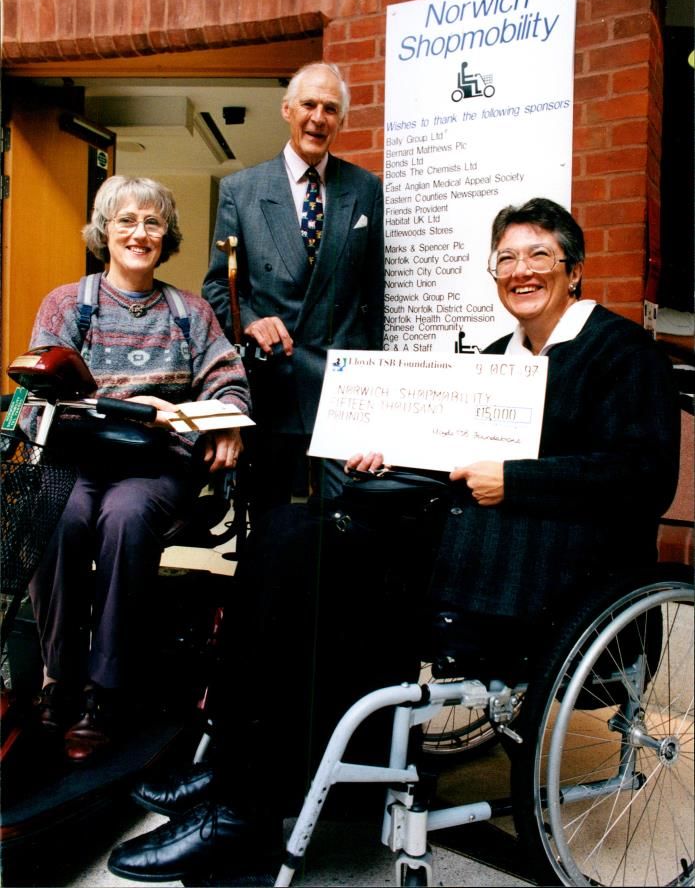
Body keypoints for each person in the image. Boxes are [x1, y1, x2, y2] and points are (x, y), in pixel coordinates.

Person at [107, 197, 680, 884]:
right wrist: (389, 454)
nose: (519, 270)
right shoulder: (499, 358)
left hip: (553, 573)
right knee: (286, 536)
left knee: (327, 578)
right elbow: (454, 461)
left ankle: (243, 806)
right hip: (471, 544)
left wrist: (518, 481)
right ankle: (233, 769)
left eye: (537, 256)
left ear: (574, 271)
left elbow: (643, 476)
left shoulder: (621, 354)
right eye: (505, 258)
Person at [26, 175, 250, 764]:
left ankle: (104, 691)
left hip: (155, 464)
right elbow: (37, 391)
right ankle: (59, 678)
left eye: (152, 222)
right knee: (59, 518)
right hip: (78, 457)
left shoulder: (189, 312)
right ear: (104, 231)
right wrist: (113, 405)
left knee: (124, 519)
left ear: (166, 235)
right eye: (125, 220)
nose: (139, 233)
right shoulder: (67, 304)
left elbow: (228, 378)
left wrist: (226, 419)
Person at [202, 61, 384, 517]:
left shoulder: (365, 189)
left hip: (345, 386)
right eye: (308, 104)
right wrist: (251, 322)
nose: (318, 117)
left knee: (346, 519)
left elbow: (375, 294)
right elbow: (217, 290)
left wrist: (377, 382)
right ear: (287, 109)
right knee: (271, 523)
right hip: (273, 383)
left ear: (341, 119)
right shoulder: (241, 190)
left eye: (330, 108)